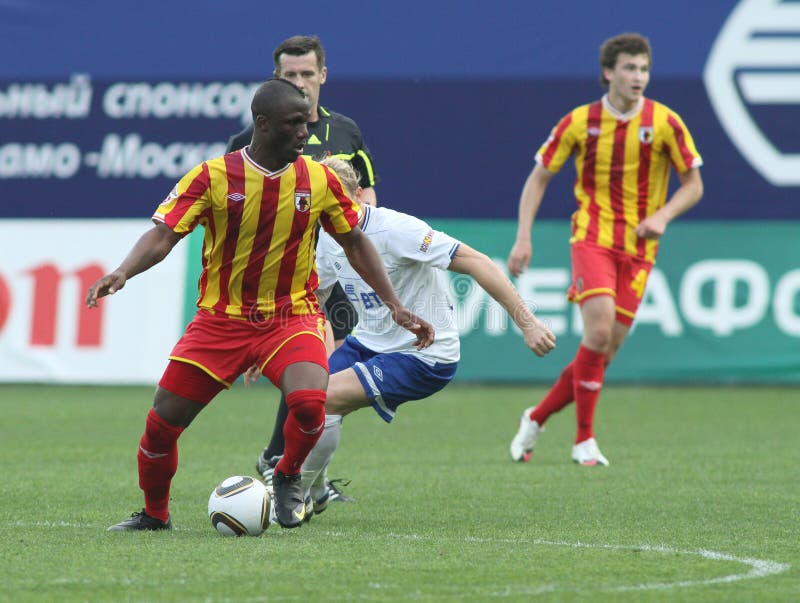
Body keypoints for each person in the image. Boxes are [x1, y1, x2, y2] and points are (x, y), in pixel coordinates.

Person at [86, 79, 434, 531]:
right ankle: (155, 514)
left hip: (290, 317)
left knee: (311, 402)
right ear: (263, 124)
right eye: (294, 125)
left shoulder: (319, 179)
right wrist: (123, 272)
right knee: (161, 424)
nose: (304, 135)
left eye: (306, 125)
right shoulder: (212, 176)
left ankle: (287, 475)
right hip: (220, 322)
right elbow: (163, 234)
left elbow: (354, 242)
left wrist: (395, 306)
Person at [247, 157, 556, 517]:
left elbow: (478, 261)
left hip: (424, 355)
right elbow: (314, 300)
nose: (329, 207)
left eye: (337, 198)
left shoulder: (396, 229)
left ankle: (290, 491)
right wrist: (272, 342)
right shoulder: (326, 238)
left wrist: (527, 322)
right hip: (368, 342)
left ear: (359, 195)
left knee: (324, 397)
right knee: (306, 396)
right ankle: (314, 489)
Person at [507, 33, 703, 466]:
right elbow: (538, 178)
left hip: (640, 249)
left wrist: (663, 216)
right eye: (630, 68)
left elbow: (694, 184)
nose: (638, 77)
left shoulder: (666, 122)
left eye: (644, 69)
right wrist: (524, 236)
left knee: (603, 351)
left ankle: (536, 418)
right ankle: (584, 440)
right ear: (609, 73)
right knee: (597, 333)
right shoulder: (579, 122)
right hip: (592, 238)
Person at [227, 36, 380, 482]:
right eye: (289, 75)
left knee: (321, 369)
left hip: (334, 275)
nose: (300, 82)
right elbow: (233, 211)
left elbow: (365, 195)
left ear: (323, 76)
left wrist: (365, 247)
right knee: (312, 367)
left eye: (307, 74)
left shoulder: (346, 132)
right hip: (281, 278)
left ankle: (291, 466)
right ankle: (287, 464)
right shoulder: (248, 140)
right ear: (276, 79)